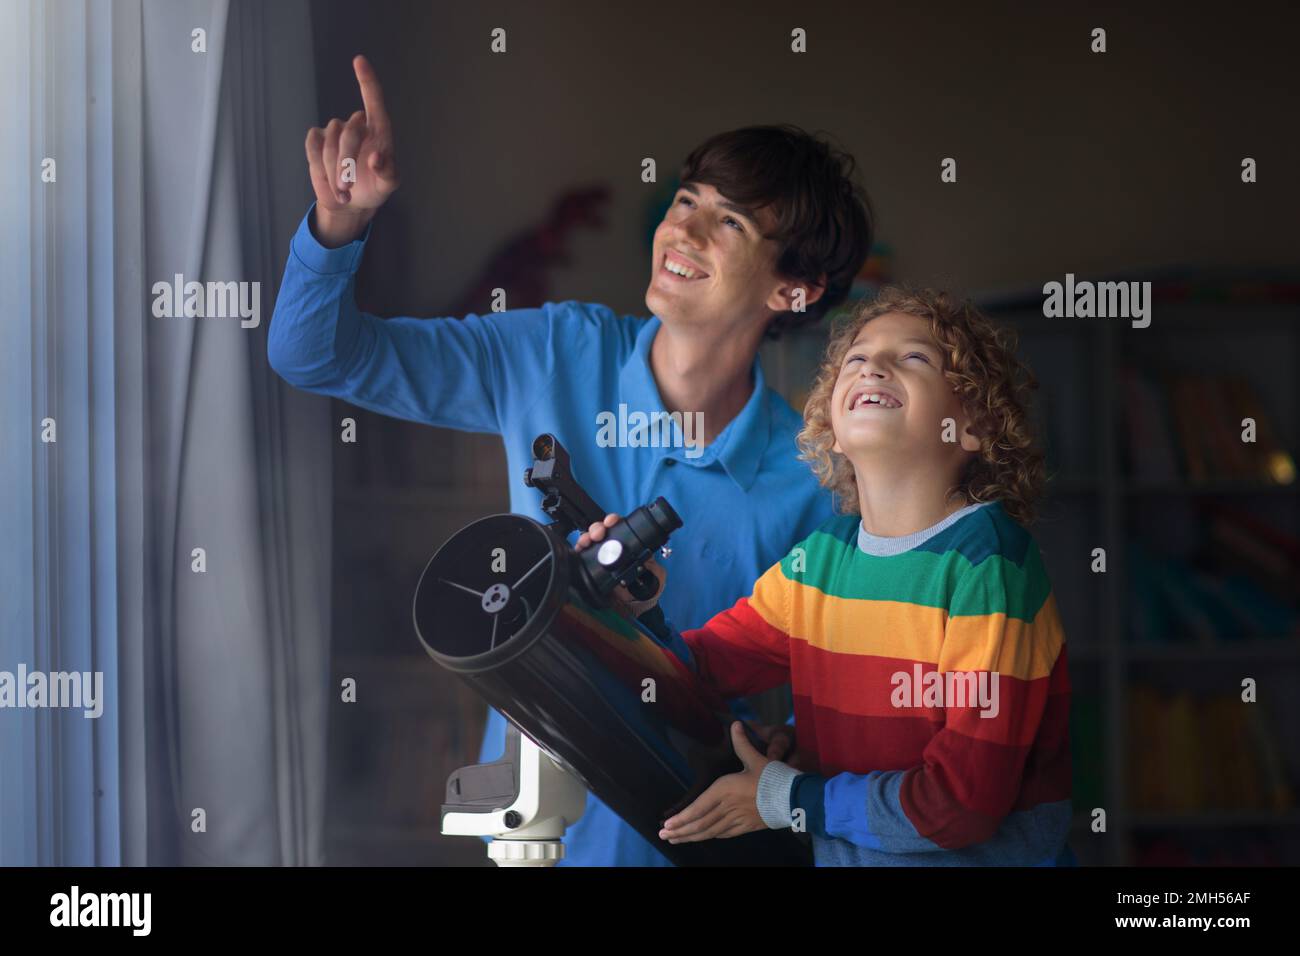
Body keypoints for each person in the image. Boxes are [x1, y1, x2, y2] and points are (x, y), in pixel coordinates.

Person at [267, 54, 874, 865]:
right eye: (685, 201)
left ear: (795, 288)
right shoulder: (555, 351)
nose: (682, 231)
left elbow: (840, 721)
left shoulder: (813, 488)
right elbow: (316, 357)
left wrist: (790, 747)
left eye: (729, 222)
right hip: (532, 833)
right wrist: (338, 225)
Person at [579, 286, 1073, 865]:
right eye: (857, 359)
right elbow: (698, 674)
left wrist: (786, 798)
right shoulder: (818, 564)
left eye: (914, 358)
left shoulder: (989, 566)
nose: (874, 366)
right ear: (833, 429)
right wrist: (637, 615)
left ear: (975, 425)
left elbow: (961, 804)